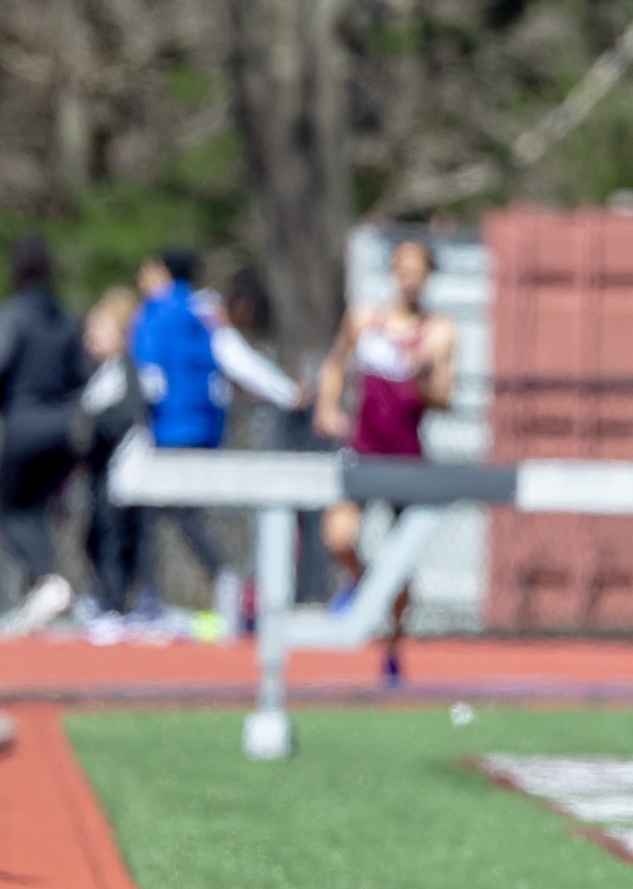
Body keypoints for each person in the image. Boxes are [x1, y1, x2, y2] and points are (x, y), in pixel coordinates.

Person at [131, 248, 301, 625]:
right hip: (205, 427)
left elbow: (148, 375)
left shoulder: (155, 313)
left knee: (151, 511)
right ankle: (213, 584)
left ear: (160, 271)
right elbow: (238, 361)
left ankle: (158, 593)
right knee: (180, 511)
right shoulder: (204, 312)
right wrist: (288, 393)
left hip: (163, 428)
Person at [314, 238, 454, 682]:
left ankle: (392, 644)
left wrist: (424, 373)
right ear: (393, 272)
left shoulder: (438, 333)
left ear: (428, 277)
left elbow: (443, 398)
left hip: (407, 459)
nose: (410, 279)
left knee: (400, 563)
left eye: (419, 272)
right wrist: (327, 406)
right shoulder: (364, 321)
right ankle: (360, 581)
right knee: (338, 535)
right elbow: (334, 365)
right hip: (363, 451)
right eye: (403, 270)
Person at [0, 235, 88, 632]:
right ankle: (41, 595)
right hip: (64, 426)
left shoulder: (11, 314)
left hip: (23, 423)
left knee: (7, 513)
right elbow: (82, 373)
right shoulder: (65, 317)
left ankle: (48, 580)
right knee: (36, 512)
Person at [77, 287, 146, 618]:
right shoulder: (99, 374)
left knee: (114, 539)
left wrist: (93, 427)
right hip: (102, 470)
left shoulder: (127, 371)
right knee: (96, 538)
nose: (90, 339)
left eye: (99, 331)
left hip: (122, 471)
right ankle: (107, 597)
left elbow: (125, 413)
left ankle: (117, 604)